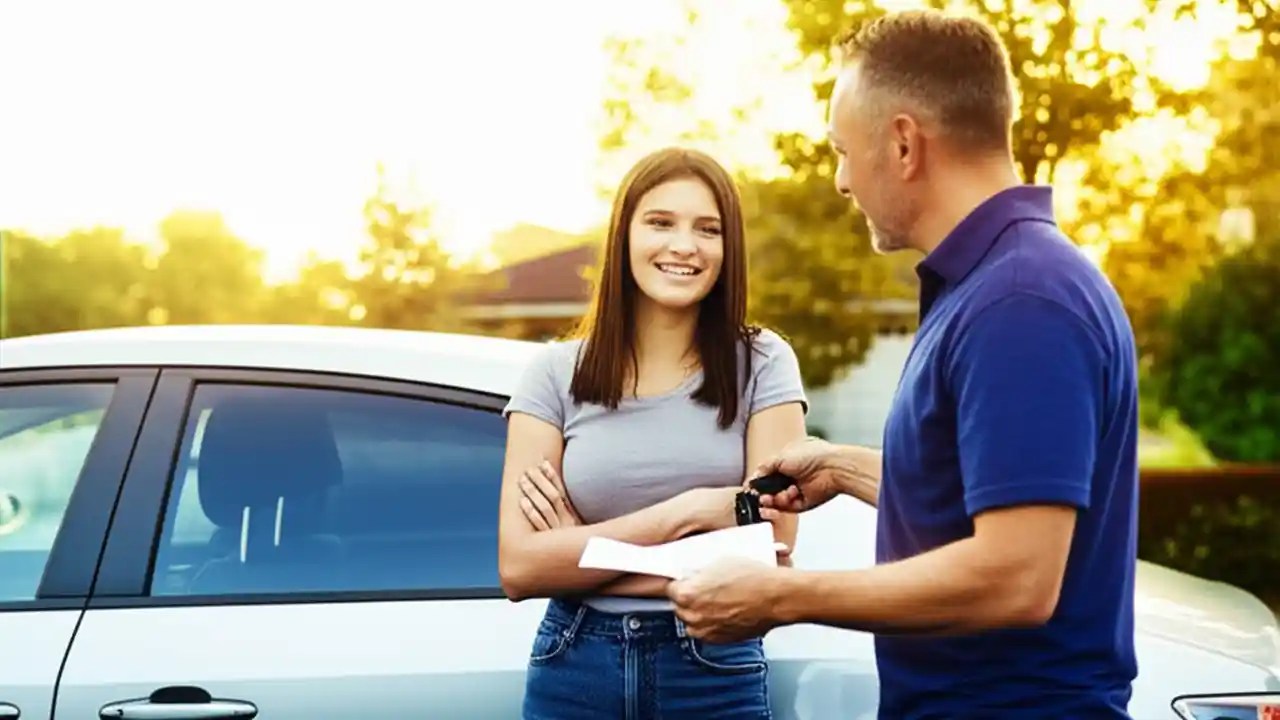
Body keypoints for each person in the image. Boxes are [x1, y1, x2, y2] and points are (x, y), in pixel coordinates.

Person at [665, 10, 1140, 720]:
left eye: (842, 150)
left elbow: (1015, 577)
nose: (839, 180)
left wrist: (779, 596)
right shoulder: (998, 284)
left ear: (903, 144)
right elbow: (988, 502)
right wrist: (843, 468)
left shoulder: (1020, 301)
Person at [497, 146, 809, 720]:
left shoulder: (764, 361)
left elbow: (765, 557)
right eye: (661, 222)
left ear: (727, 248)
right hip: (574, 664)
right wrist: (687, 516)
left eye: (707, 229)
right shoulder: (553, 374)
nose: (684, 245)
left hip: (714, 671)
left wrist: (584, 553)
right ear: (625, 236)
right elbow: (520, 567)